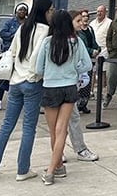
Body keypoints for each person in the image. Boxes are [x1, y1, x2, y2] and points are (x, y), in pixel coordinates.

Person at [0, 0, 53, 182]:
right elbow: (39, 57)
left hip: (15, 82)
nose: (52, 13)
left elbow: (12, 53)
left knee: (6, 127)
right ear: (44, 11)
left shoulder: (22, 28)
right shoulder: (45, 31)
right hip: (32, 82)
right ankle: (23, 170)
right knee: (29, 128)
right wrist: (35, 75)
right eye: (50, 10)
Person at [35, 9, 92, 185]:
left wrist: (51, 74)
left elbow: (38, 70)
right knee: (62, 131)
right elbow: (88, 65)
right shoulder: (76, 42)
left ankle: (51, 171)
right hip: (69, 88)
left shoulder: (47, 42)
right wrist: (74, 71)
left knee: (54, 131)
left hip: (50, 88)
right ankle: (57, 166)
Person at [65, 10, 100, 162]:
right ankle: (79, 149)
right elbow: (85, 64)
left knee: (64, 120)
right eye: (78, 20)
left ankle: (60, 152)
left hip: (54, 85)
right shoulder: (75, 40)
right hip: (67, 85)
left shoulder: (51, 39)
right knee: (71, 118)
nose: (82, 23)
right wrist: (75, 71)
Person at [0, 2, 29, 110]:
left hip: (23, 53)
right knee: (5, 75)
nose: (22, 12)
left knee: (20, 77)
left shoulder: (28, 23)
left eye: (24, 10)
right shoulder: (10, 22)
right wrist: (12, 36)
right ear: (16, 11)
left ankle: (19, 101)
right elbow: (3, 33)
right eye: (20, 10)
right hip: (10, 53)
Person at [76, 9, 99, 114]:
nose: (85, 18)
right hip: (81, 59)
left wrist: (97, 49)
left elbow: (93, 41)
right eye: (83, 16)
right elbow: (81, 46)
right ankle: (77, 104)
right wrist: (91, 51)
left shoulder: (90, 29)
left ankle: (84, 104)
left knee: (87, 82)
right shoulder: (77, 31)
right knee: (80, 82)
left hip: (90, 59)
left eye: (87, 16)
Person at [90, 4, 112, 93]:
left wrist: (108, 49)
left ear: (105, 12)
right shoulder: (92, 23)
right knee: (92, 71)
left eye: (101, 11)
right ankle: (90, 91)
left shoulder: (109, 23)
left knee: (103, 72)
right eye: (98, 11)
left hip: (104, 50)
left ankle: (101, 92)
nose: (99, 13)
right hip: (94, 50)